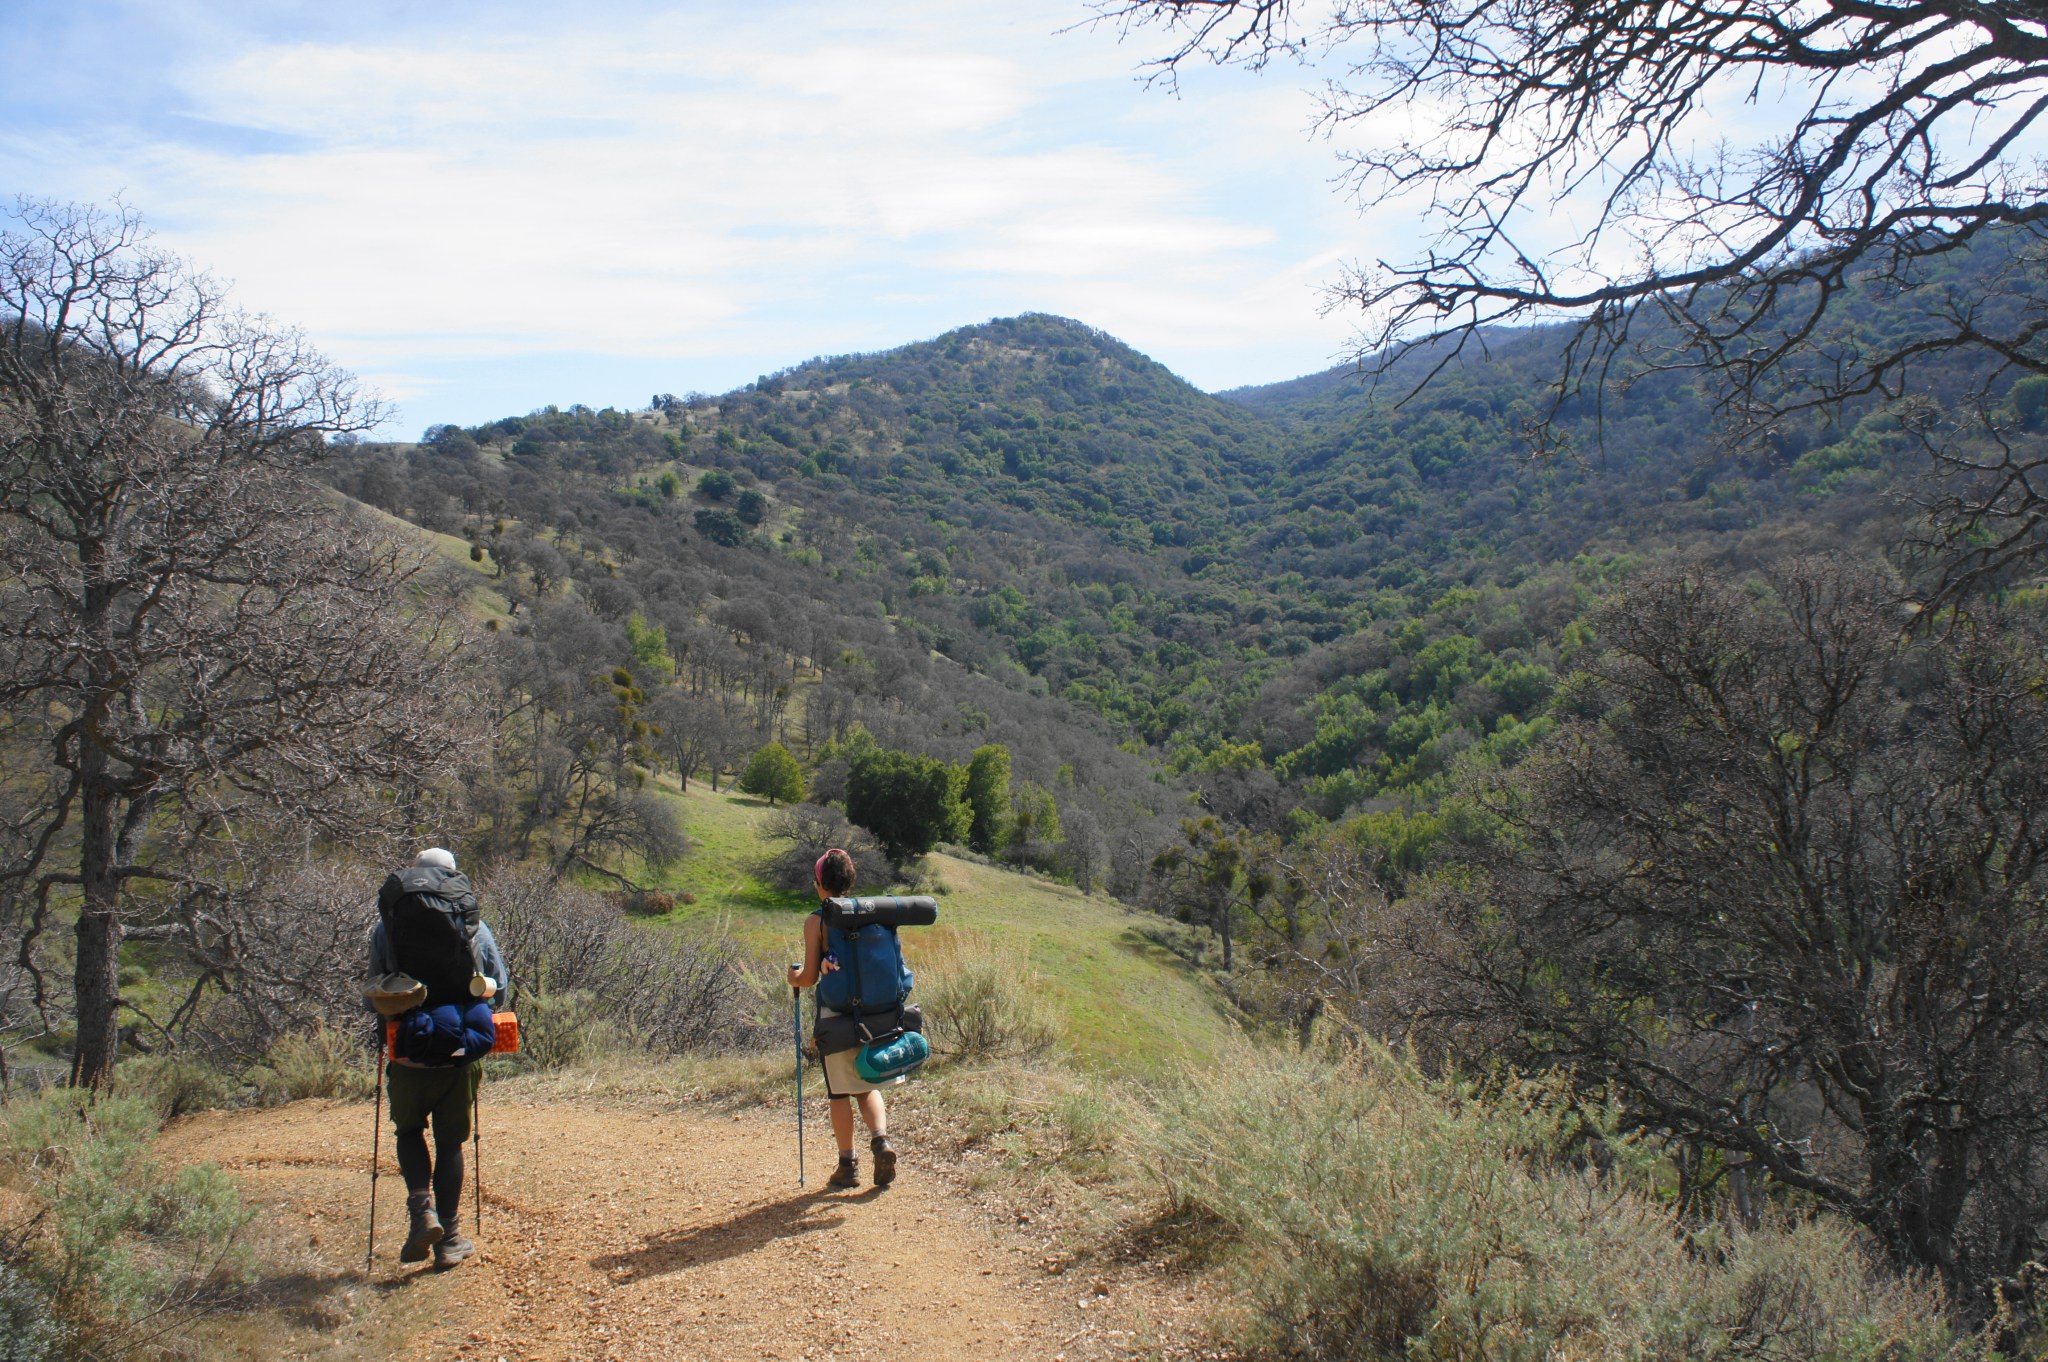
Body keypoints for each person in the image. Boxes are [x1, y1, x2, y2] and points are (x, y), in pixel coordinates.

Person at [366, 847, 509, 1268]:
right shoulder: (475, 928)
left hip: (406, 1050)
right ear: (453, 880)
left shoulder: (386, 928)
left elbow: (374, 990)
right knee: (451, 1144)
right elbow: (498, 986)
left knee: (408, 1132)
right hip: (459, 1051)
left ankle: (420, 1211)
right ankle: (450, 1237)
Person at [787, 848, 901, 1189]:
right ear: (849, 882)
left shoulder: (816, 921)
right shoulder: (870, 913)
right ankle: (880, 1141)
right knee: (867, 1085)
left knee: (839, 1092)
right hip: (877, 1014)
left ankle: (847, 1164)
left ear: (820, 883)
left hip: (836, 1017)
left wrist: (792, 976)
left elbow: (808, 978)